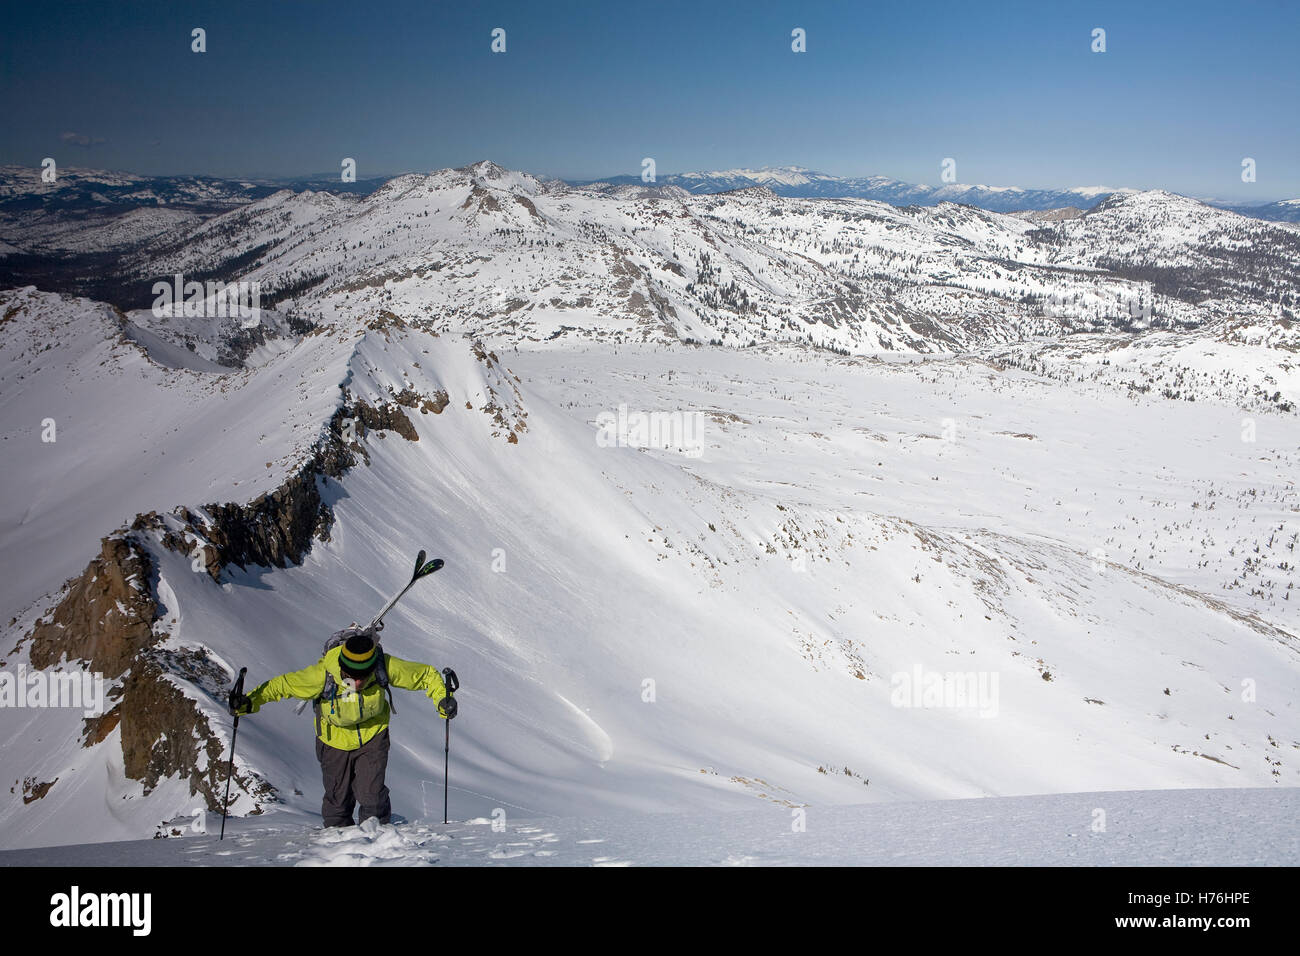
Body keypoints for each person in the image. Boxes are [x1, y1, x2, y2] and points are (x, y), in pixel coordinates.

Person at [228, 628, 455, 828]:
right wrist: (249, 702)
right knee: (338, 800)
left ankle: (379, 846)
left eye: (362, 678)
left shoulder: (381, 666)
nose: (357, 684)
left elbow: (425, 676)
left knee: (372, 796)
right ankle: (337, 847)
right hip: (332, 741)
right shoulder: (323, 675)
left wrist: (443, 699)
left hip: (372, 735)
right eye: (351, 677)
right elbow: (281, 686)